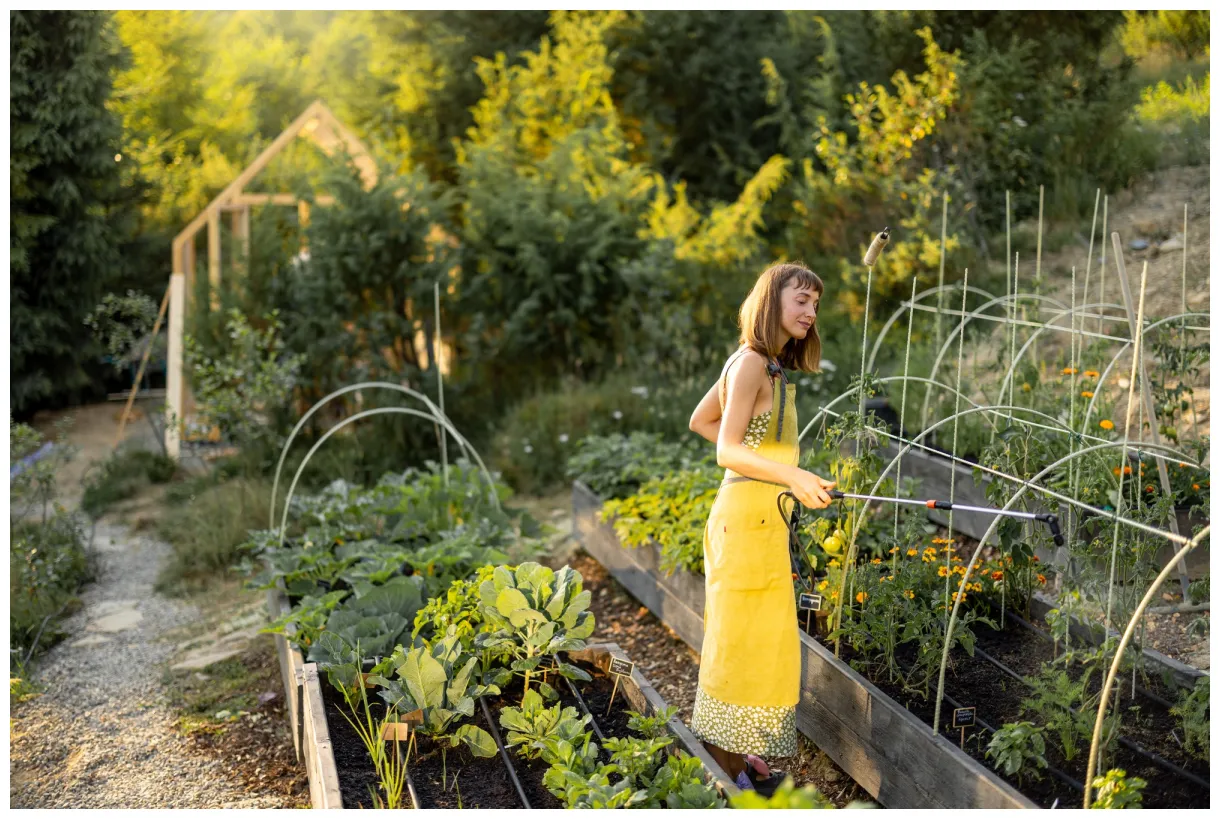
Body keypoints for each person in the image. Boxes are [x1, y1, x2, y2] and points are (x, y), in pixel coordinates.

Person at [687, 261, 836, 794]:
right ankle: (726, 768)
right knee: (739, 641)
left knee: (756, 638)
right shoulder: (750, 362)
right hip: (745, 521)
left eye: (815, 304)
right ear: (771, 300)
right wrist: (788, 474)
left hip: (760, 519)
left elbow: (701, 420)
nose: (810, 312)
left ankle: (747, 759)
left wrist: (782, 478)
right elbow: (726, 448)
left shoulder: (766, 365)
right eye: (802, 299)